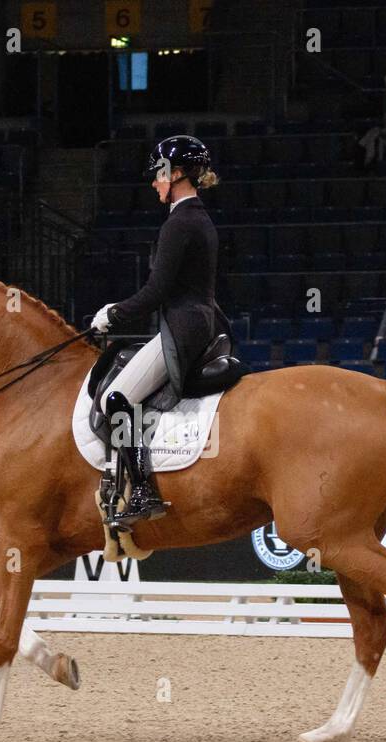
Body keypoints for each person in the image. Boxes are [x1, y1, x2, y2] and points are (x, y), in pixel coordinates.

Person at [90, 135, 227, 526]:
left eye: (159, 175)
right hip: (200, 323)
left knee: (116, 398)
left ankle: (143, 490)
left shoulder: (180, 223)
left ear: (178, 173)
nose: (154, 183)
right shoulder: (198, 217)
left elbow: (156, 291)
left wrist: (112, 315)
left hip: (183, 328)